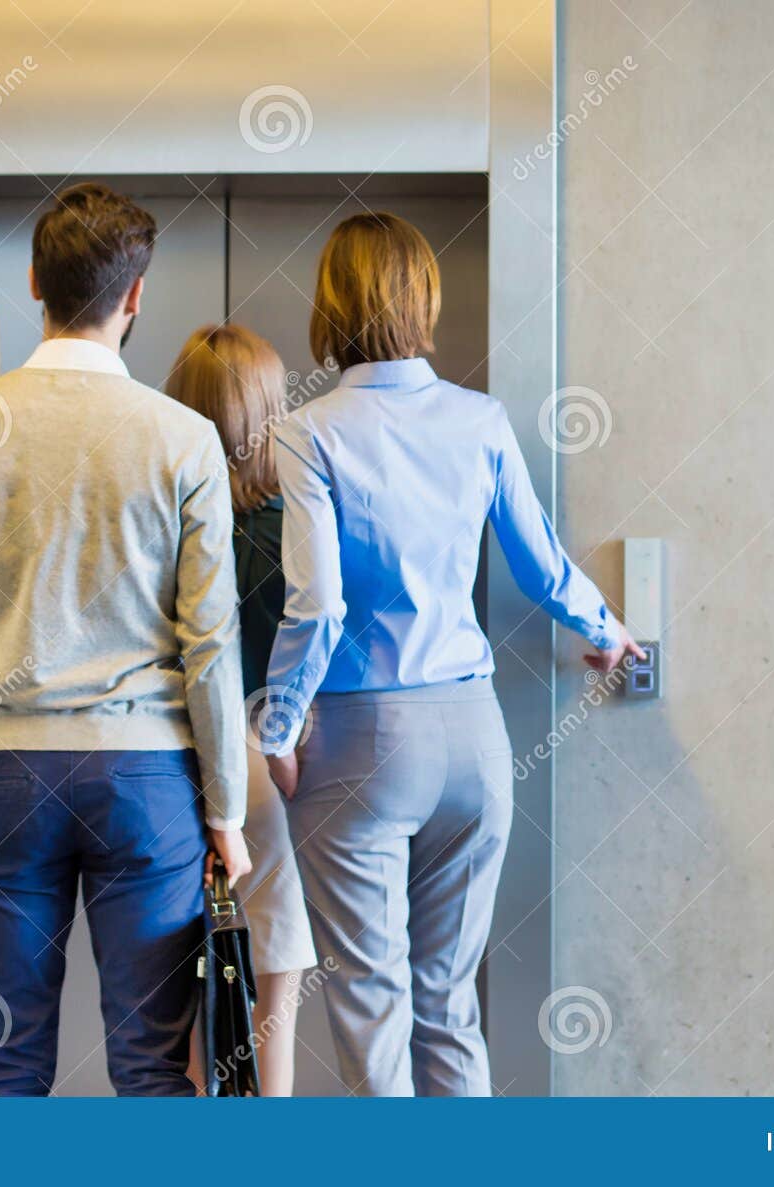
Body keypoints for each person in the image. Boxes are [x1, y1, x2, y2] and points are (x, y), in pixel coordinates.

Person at [0, 182, 250, 1097]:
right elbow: (212, 644)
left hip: (4, 775)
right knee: (152, 1068)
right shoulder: (184, 440)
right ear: (137, 294)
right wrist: (224, 808)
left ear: (34, 282)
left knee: (7, 1065)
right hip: (146, 779)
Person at [260, 212, 645, 1096]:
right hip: (474, 741)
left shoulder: (308, 432)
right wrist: (608, 633)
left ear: (332, 305)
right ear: (420, 299)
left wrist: (277, 728)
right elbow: (543, 566)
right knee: (449, 1007)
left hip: (360, 744)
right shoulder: (480, 419)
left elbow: (317, 605)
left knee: (373, 1009)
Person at [166, 324, 318, 1096]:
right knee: (274, 1000)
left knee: (193, 996)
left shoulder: (163, 528)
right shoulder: (287, 528)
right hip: (268, 771)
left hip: (170, 771)